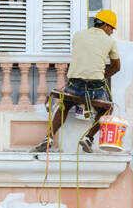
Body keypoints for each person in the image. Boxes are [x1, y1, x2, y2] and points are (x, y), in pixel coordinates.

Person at [33, 10, 120, 154]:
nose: (111, 32)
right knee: (108, 108)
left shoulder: (78, 35)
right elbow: (117, 67)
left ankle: (48, 138)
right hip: (94, 88)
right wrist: (103, 76)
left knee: (64, 106)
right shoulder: (110, 41)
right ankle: (88, 138)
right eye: (111, 28)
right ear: (105, 25)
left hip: (74, 85)